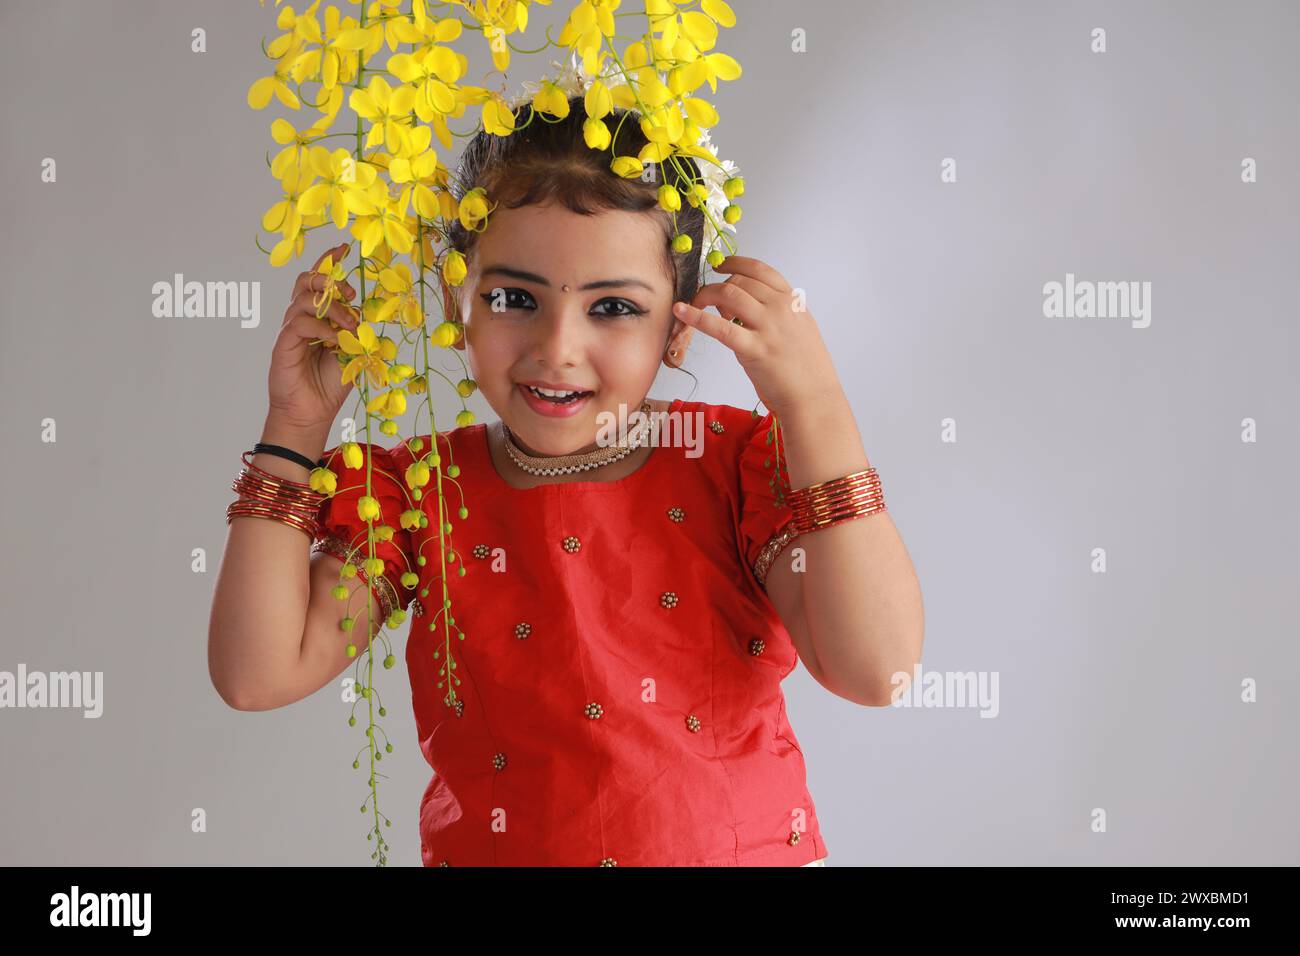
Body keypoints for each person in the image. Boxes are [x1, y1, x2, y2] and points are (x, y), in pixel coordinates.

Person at [210, 93, 924, 866]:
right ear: (455, 298)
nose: (557, 347)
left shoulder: (731, 466)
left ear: (680, 325)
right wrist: (295, 428)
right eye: (514, 299)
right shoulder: (421, 495)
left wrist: (815, 407)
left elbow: (875, 670)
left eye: (612, 307)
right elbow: (258, 675)